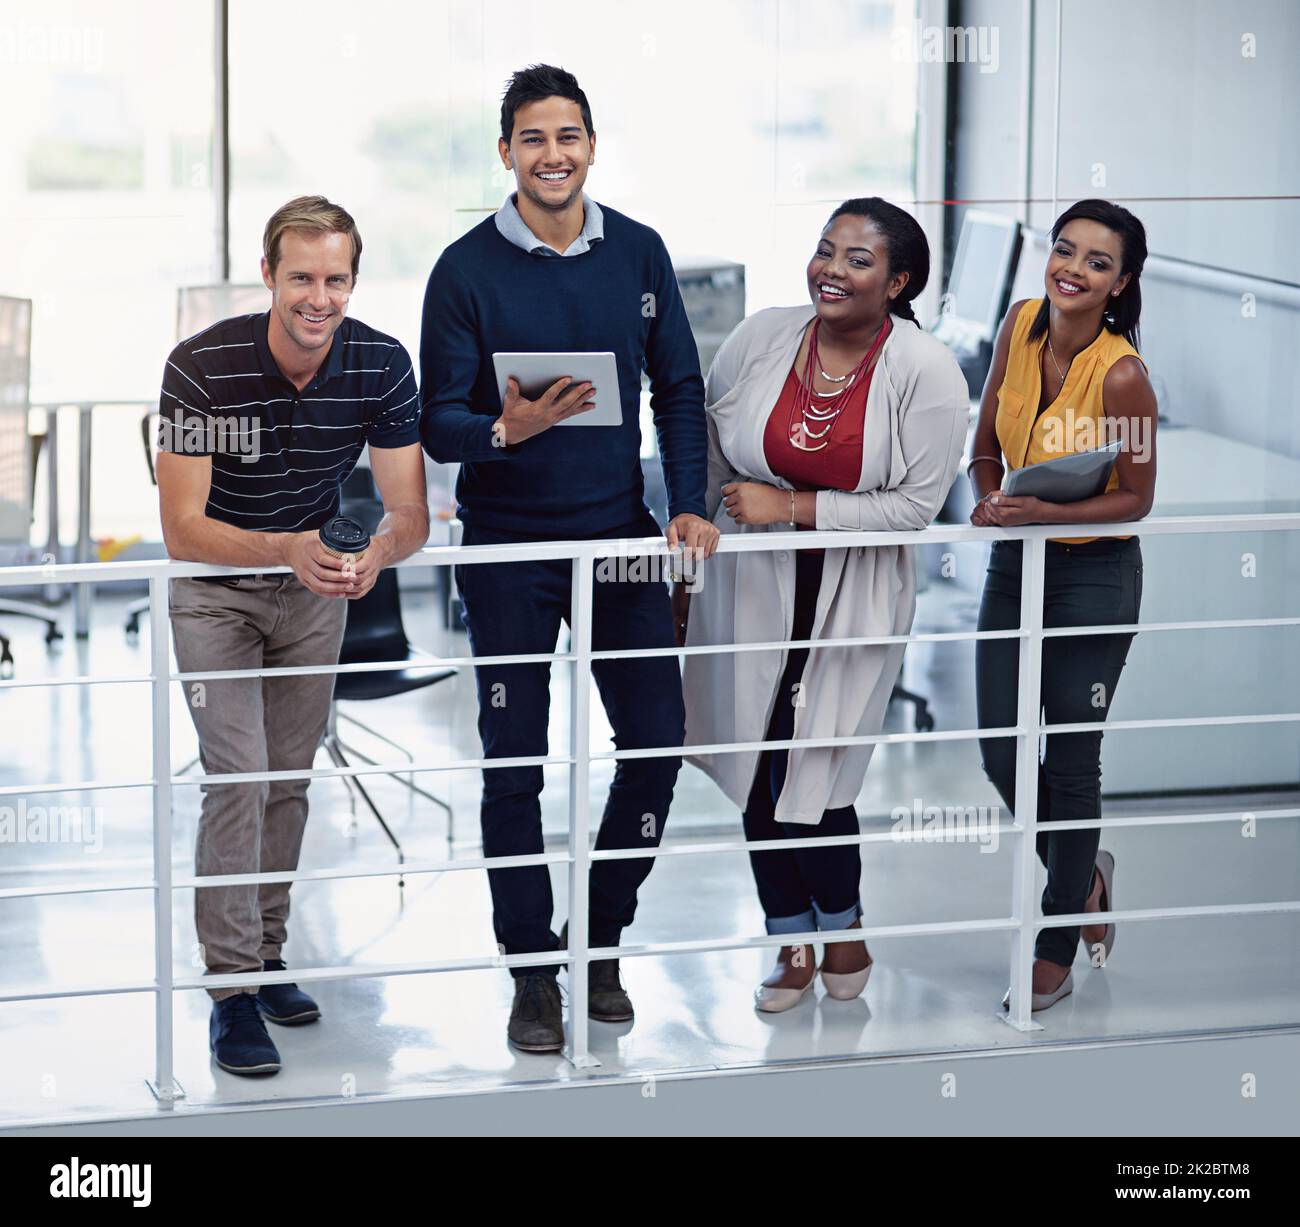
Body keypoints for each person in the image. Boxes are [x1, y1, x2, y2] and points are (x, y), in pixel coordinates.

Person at [419, 64, 719, 1053]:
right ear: (505, 151)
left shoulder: (636, 253)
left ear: (591, 146)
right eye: (534, 138)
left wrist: (687, 508)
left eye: (571, 136)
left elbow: (678, 389)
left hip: (621, 538)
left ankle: (597, 938)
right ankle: (531, 972)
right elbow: (438, 424)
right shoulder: (463, 270)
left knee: (656, 742)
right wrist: (500, 431)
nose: (554, 155)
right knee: (514, 767)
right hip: (507, 550)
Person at [156, 196, 430, 1076]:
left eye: (337, 279)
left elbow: (409, 512)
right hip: (217, 593)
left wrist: (374, 555)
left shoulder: (381, 364)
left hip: (316, 594)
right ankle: (232, 990)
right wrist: (286, 549)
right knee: (238, 775)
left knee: (287, 778)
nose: (320, 296)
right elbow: (180, 529)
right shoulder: (202, 366)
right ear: (269, 275)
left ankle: (268, 955)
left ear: (354, 279)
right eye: (302, 277)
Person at [679, 197, 967, 1011]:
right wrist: (688, 561)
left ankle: (843, 923)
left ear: (898, 280)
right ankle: (790, 939)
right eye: (825, 251)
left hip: (852, 591)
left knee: (820, 771)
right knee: (758, 764)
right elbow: (704, 445)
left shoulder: (925, 368)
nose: (832, 271)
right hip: (750, 584)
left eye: (858, 260)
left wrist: (792, 508)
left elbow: (916, 507)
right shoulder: (763, 336)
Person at [968, 198, 1156, 1012]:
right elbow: (984, 445)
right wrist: (987, 500)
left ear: (1120, 284)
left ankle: (1055, 938)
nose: (1072, 270)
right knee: (998, 748)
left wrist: (1047, 514)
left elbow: (1138, 498)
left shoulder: (1124, 376)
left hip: (1094, 574)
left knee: (1072, 758)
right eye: (1064, 250)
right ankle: (1084, 877)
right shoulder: (1018, 325)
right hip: (1018, 563)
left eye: (1097, 262)